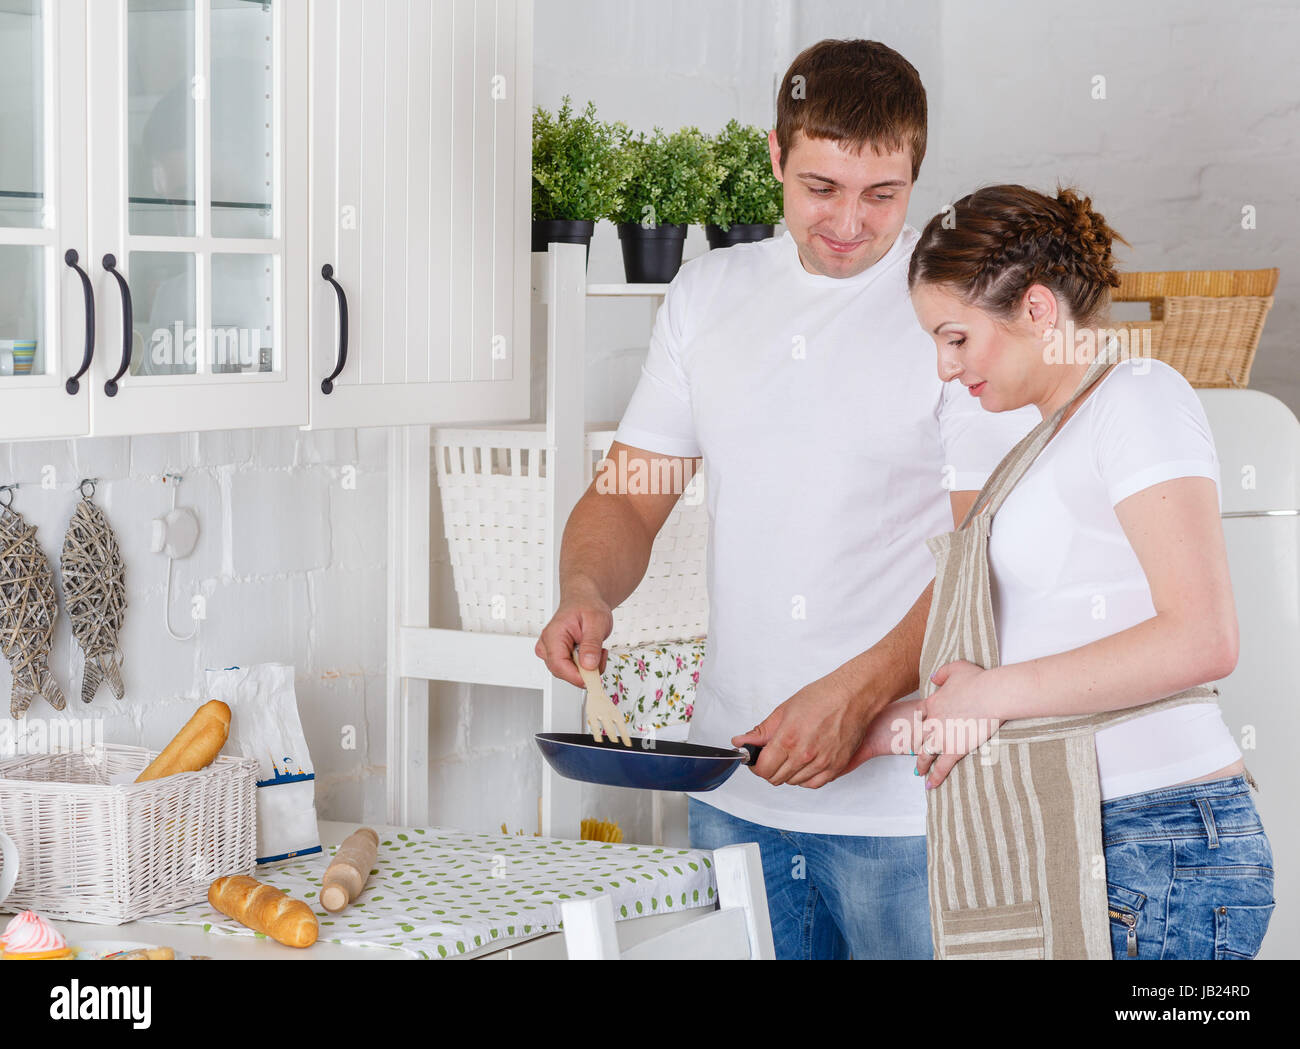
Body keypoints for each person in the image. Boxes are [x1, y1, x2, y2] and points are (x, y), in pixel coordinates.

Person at [533, 39, 1039, 960]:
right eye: (820, 187)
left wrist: (862, 690)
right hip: (735, 801)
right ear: (775, 154)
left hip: (912, 804)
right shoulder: (708, 294)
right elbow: (633, 494)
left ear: (916, 176)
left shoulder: (958, 310)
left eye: (881, 195)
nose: (848, 222)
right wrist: (586, 588)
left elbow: (989, 552)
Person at [893, 182, 1274, 959]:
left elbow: (1202, 637)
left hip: (1158, 841)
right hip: (1113, 833)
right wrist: (872, 731)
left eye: (957, 337)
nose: (943, 365)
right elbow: (1053, 640)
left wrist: (991, 692)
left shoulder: (1138, 400)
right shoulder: (1049, 440)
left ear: (1037, 310)